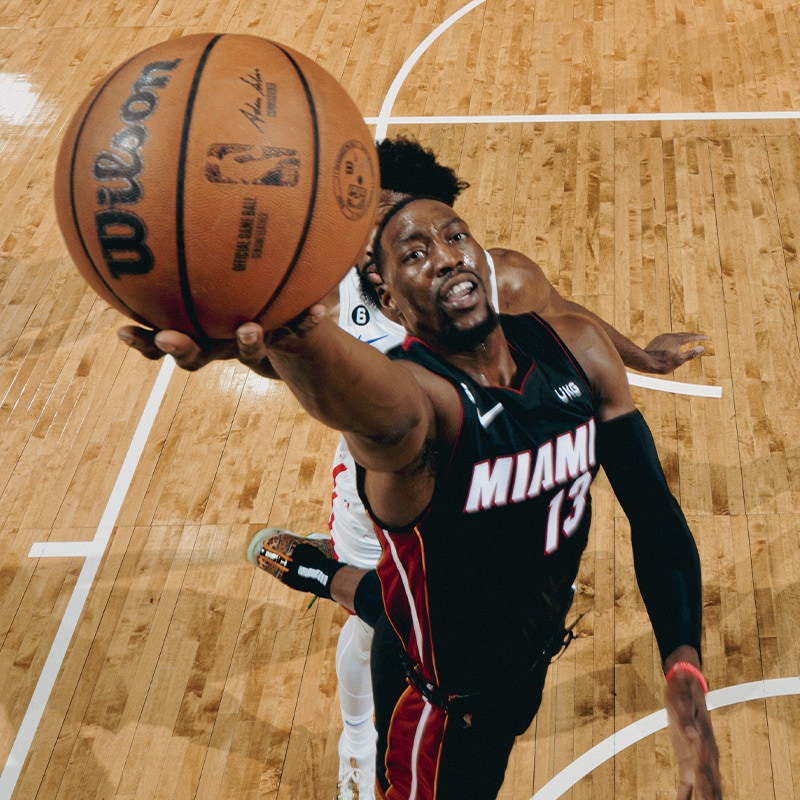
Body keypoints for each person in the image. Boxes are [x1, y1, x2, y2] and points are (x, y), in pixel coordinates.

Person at [118, 136, 711, 800]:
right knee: (396, 622)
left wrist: (642, 358)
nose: (386, 239)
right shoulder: (333, 294)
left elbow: (572, 323)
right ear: (385, 287)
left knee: (478, 604)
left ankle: (319, 572)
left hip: (501, 481)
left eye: (441, 232)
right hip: (397, 465)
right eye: (394, 242)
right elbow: (310, 355)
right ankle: (356, 750)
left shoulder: (508, 282)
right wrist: (242, 333)